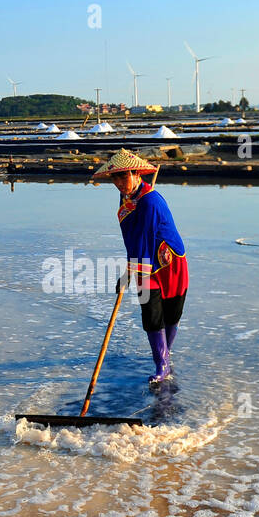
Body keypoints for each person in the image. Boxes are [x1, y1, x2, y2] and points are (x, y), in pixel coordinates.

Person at [93, 149, 189, 386]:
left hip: (169, 263)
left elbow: (144, 239)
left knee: (170, 313)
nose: (118, 182)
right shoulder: (128, 198)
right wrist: (129, 270)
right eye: (115, 177)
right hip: (143, 259)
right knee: (151, 314)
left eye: (123, 176)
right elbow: (133, 239)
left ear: (137, 174)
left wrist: (129, 273)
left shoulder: (150, 202)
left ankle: (164, 359)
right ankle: (162, 362)